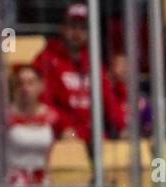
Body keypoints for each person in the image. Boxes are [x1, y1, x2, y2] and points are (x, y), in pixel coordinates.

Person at [32, 2, 128, 144]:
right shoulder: (47, 59)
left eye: (83, 28)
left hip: (93, 136)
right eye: (72, 26)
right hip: (60, 137)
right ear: (63, 28)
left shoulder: (93, 62)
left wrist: (122, 128)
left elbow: (109, 99)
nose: (77, 33)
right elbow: (44, 103)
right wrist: (63, 127)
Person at [6, 64, 74, 187]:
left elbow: (72, 132)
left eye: (30, 83)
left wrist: (69, 135)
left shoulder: (53, 116)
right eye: (20, 83)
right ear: (14, 87)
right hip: (14, 183)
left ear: (41, 85)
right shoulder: (4, 118)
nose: (25, 88)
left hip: (43, 182)